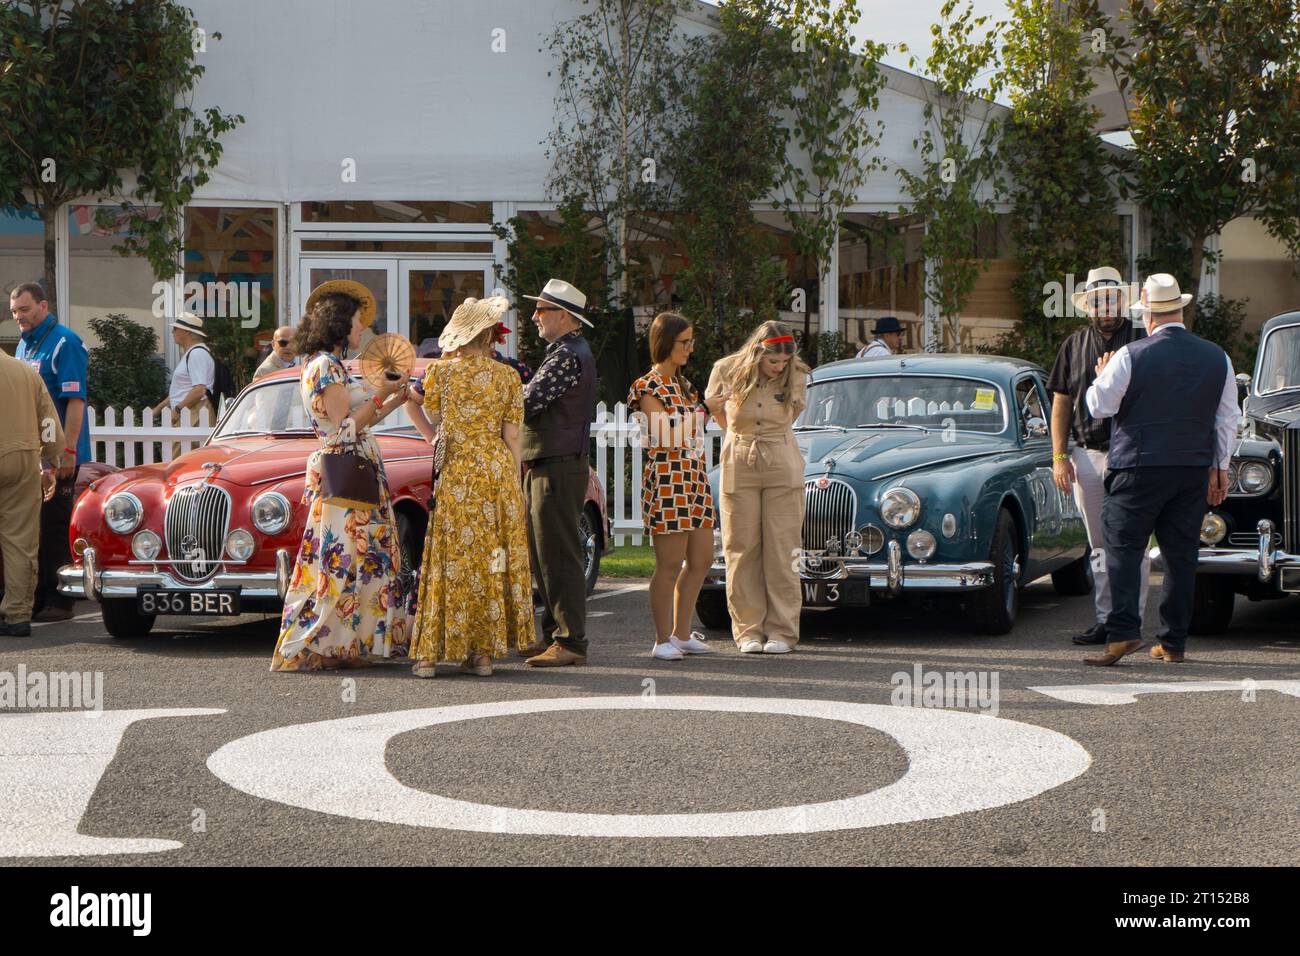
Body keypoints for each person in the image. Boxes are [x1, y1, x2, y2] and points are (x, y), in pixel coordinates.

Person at [1082, 273, 1239, 666]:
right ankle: (1173, 642)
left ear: (1147, 315)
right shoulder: (1217, 357)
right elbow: (1227, 419)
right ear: (1180, 310)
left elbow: (1099, 407)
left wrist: (1100, 378)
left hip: (1137, 465)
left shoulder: (1130, 355)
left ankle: (1122, 633)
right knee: (1181, 557)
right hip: (1191, 467)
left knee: (1123, 548)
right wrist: (1220, 467)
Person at [270, 280, 412, 671]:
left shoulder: (327, 365)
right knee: (343, 559)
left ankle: (347, 645)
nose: (361, 328)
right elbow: (344, 429)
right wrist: (380, 394)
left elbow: (362, 422)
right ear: (339, 323)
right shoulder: (324, 366)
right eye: (356, 320)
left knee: (356, 559)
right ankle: (323, 646)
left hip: (353, 466)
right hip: (345, 471)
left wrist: (395, 397)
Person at [403, 297, 533, 677]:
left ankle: (429, 655)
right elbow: (512, 436)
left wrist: (432, 437)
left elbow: (414, 405)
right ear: (490, 335)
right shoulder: (508, 377)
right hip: (495, 471)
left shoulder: (441, 373)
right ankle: (482, 654)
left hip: (457, 470)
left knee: (449, 558)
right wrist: (516, 482)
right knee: (490, 558)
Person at [1047, 266, 1150, 645]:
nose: (1105, 308)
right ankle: (1107, 619)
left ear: (1122, 302)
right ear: (1087, 306)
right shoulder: (1073, 345)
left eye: (1111, 300)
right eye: (1097, 302)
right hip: (1086, 456)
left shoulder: (1142, 340)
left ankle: (1131, 622)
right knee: (1100, 546)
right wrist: (1059, 457)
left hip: (1133, 455)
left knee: (1134, 543)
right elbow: (1061, 402)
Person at [706, 321, 809, 654]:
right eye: (773, 361)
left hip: (781, 457)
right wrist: (741, 437)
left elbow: (791, 416)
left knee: (783, 549)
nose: (779, 367)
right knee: (740, 548)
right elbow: (719, 415)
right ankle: (748, 630)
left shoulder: (796, 374)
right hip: (739, 459)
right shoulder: (725, 370)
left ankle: (782, 631)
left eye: (784, 361)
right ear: (757, 353)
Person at [518, 279, 597, 668]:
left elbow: (528, 402)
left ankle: (569, 640)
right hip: (552, 462)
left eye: (542, 310)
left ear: (563, 315)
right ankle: (555, 635)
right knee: (544, 553)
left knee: (558, 554)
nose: (535, 316)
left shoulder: (566, 355)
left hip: (558, 464)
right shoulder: (566, 352)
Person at [628, 312, 717, 661]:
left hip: (693, 476)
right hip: (668, 479)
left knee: (702, 559)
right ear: (665, 343)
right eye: (684, 342)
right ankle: (661, 639)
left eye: (691, 341)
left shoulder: (685, 386)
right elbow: (665, 436)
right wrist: (704, 410)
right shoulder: (647, 386)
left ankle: (681, 634)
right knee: (669, 563)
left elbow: (690, 432)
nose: (690, 348)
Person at [10, 283, 90, 624]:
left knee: (55, 527)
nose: (19, 317)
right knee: (34, 528)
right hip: (33, 454)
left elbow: (75, 401)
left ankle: (60, 600)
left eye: (25, 309)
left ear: (43, 306)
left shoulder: (65, 342)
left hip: (59, 455)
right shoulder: (23, 345)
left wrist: (67, 451)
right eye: (14, 311)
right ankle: (37, 597)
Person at [0, 348, 64, 637]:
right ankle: (17, 615)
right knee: (20, 541)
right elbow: (49, 425)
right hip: (22, 459)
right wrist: (50, 462)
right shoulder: (26, 372)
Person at [150, 312, 217, 425]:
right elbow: (181, 391)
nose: (172, 332)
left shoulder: (196, 354)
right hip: (191, 411)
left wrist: (178, 410)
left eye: (175, 329)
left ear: (186, 332)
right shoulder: (194, 353)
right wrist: (158, 409)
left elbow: (199, 390)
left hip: (194, 413)